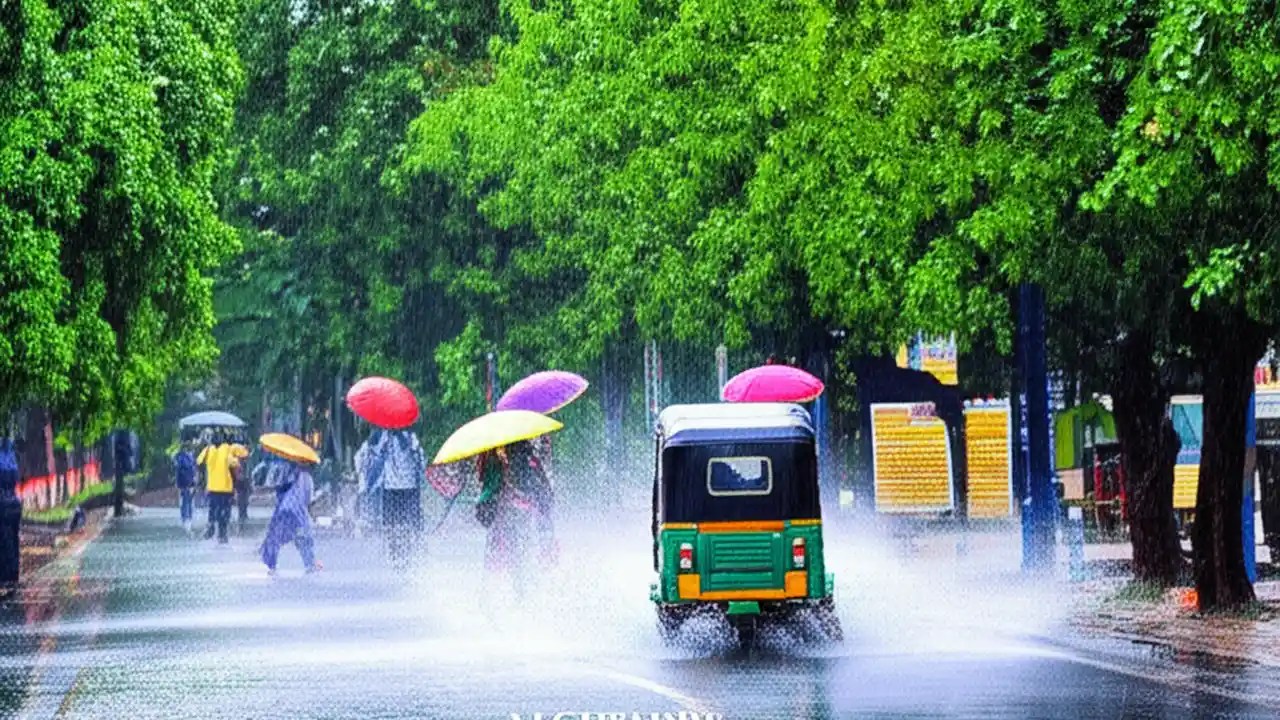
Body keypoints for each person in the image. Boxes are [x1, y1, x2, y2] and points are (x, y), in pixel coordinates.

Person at [355, 429, 426, 571]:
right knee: (391, 525)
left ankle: (408, 554)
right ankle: (395, 555)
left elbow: (420, 460)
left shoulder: (411, 437)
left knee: (407, 524)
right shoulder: (380, 436)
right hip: (390, 486)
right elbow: (370, 456)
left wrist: (406, 442)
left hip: (408, 487)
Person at [260, 455, 320, 575]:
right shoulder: (306, 478)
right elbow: (308, 500)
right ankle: (309, 564)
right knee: (302, 537)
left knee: (275, 537)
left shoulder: (288, 472)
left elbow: (278, 490)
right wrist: (312, 516)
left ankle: (272, 565)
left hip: (284, 510)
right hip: (296, 512)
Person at [197, 433, 248, 543]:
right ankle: (222, 534)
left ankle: (210, 527)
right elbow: (241, 457)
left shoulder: (208, 449)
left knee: (213, 509)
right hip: (225, 488)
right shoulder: (228, 449)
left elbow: (199, 461)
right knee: (224, 511)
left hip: (212, 487)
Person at [0, 438, 22, 592]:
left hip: (4, 505)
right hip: (13, 503)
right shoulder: (10, 454)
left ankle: (7, 575)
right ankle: (12, 575)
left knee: (6, 539)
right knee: (12, 539)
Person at [173, 442, 198, 532]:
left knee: (186, 501)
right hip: (186, 483)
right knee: (186, 501)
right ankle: (186, 519)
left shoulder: (180, 457)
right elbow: (191, 470)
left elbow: (192, 470)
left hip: (185, 483)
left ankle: (186, 519)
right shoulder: (183, 457)